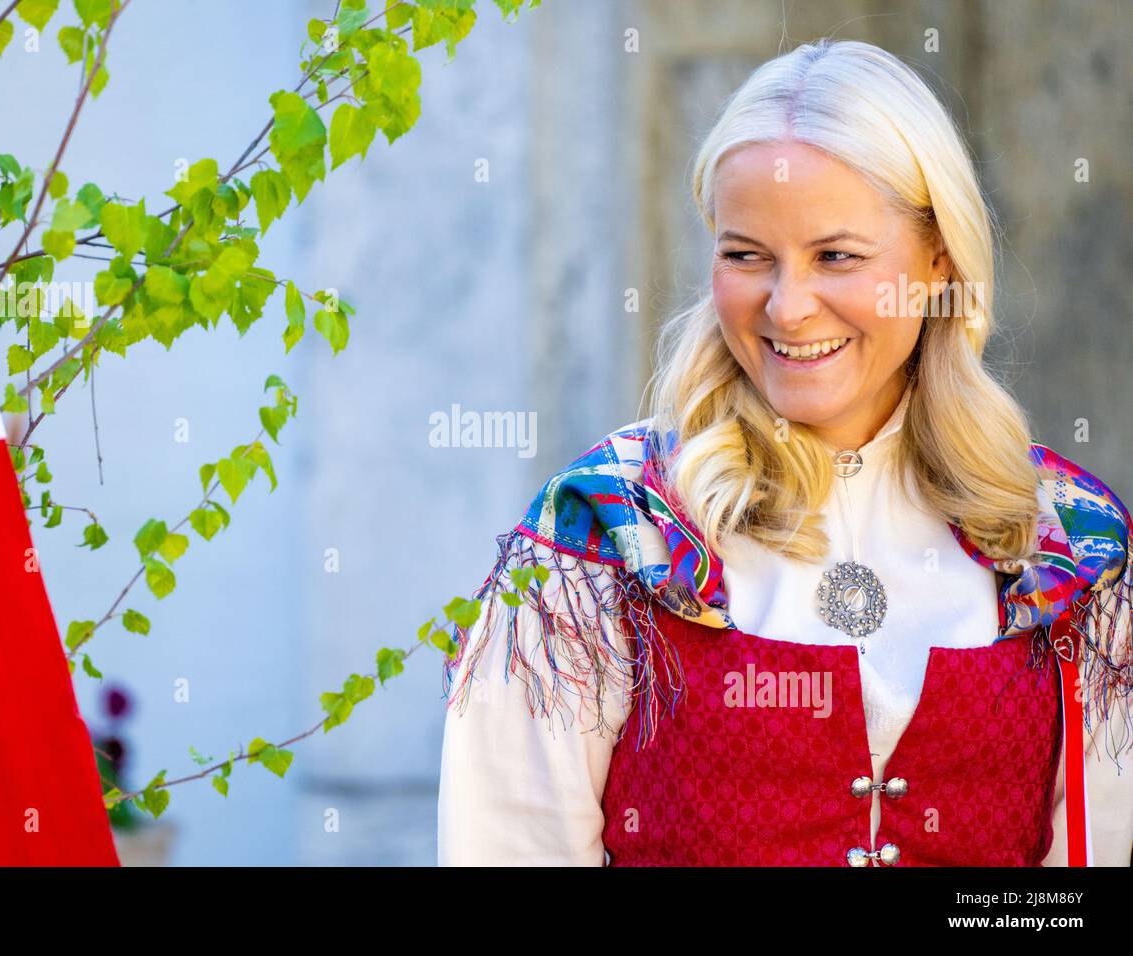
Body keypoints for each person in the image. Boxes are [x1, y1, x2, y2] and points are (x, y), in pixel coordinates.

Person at [436, 37, 1133, 867]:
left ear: (939, 261)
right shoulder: (602, 540)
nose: (788, 306)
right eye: (745, 256)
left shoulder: (1066, 547)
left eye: (836, 256)